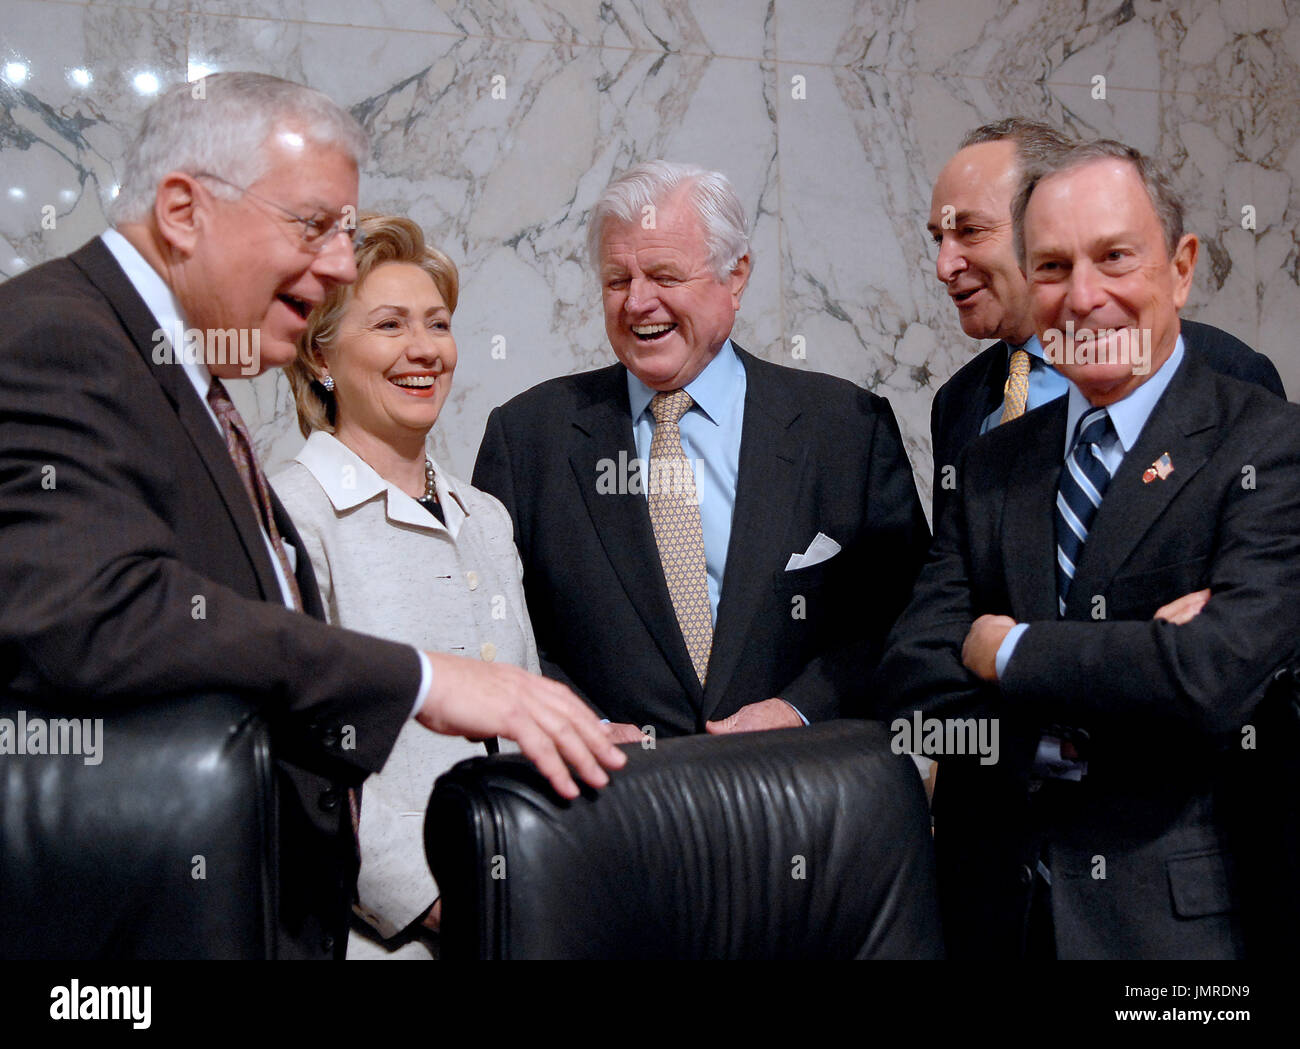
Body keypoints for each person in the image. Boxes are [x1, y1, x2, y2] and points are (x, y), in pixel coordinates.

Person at [0, 72, 622, 960]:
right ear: (183, 209)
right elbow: (96, 612)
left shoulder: (183, 378)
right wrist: (423, 679)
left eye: (345, 231)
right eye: (313, 224)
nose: (336, 262)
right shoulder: (58, 337)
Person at [875, 138, 1300, 959]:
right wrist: (1129, 681)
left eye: (1115, 258)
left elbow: (1210, 676)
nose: (1084, 297)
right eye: (1053, 268)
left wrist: (1012, 646)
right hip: (998, 918)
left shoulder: (1267, 447)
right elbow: (913, 687)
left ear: (1180, 268)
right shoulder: (993, 463)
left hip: (1177, 939)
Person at [473, 161, 929, 739]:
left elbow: (905, 611)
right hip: (609, 803)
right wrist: (583, 723)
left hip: (803, 795)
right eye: (618, 281)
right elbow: (498, 622)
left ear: (734, 276)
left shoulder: (844, 427)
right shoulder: (528, 437)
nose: (638, 302)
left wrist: (800, 709)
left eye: (664, 275)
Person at [273, 214, 537, 960]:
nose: (424, 349)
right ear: (320, 356)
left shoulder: (484, 516)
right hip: (383, 934)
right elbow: (297, 753)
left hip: (526, 900)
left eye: (438, 323)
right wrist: (426, 895)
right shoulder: (295, 512)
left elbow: (515, 706)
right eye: (389, 324)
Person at [926, 118, 1285, 524]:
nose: (944, 265)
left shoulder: (1227, 370)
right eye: (939, 238)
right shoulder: (958, 401)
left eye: (970, 230)